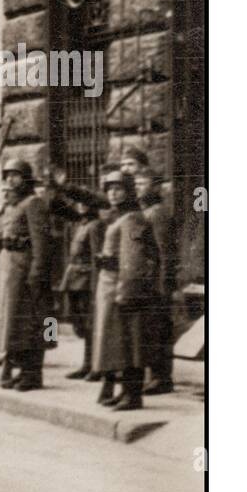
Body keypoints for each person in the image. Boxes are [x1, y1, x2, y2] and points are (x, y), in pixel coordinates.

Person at [92, 170, 161, 411]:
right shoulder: (120, 217)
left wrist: (126, 293)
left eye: (118, 188)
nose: (112, 193)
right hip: (112, 286)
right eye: (109, 189)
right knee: (119, 343)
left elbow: (133, 260)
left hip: (123, 289)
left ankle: (132, 395)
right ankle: (124, 393)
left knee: (130, 344)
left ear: (129, 191)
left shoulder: (132, 218)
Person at [0, 158, 53, 391]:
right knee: (15, 323)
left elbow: (41, 243)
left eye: (15, 175)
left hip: (25, 270)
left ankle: (33, 372)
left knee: (37, 322)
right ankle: (20, 368)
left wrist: (37, 273)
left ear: (25, 178)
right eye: (7, 175)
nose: (10, 179)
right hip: (9, 270)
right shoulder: (11, 205)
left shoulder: (33, 203)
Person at [136, 168, 177, 394]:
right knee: (149, 329)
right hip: (146, 281)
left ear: (155, 188)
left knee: (158, 329)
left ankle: (162, 378)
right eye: (137, 183)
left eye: (143, 183)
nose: (138, 187)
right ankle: (155, 375)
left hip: (155, 283)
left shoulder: (158, 213)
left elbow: (165, 253)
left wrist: (163, 284)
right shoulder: (146, 211)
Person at [58, 200, 106, 380]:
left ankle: (95, 366)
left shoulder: (96, 226)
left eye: (85, 202)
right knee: (81, 325)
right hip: (75, 280)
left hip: (86, 281)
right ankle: (87, 364)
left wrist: (95, 286)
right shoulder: (80, 225)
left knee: (90, 325)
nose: (81, 205)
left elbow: (96, 258)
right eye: (78, 202)